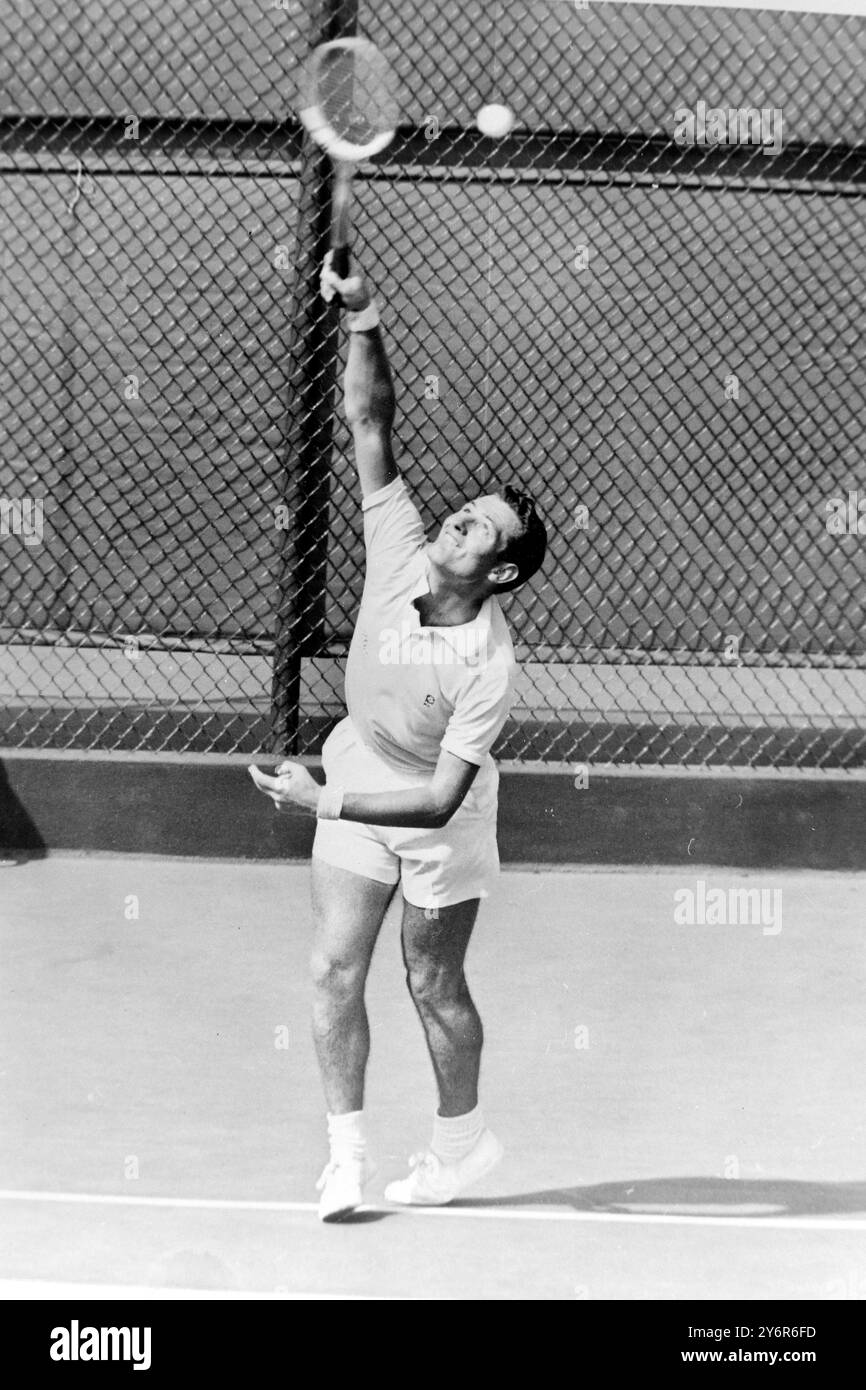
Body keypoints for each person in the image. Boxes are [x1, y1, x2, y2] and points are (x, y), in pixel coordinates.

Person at [249, 253, 547, 1221]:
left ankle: (460, 1146)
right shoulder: (400, 545)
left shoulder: (485, 664)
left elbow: (435, 801)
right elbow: (369, 420)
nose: (456, 524)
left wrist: (319, 799)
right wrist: (363, 313)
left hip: (430, 815)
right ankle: (345, 1157)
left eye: (476, 533)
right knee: (334, 965)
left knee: (430, 978)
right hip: (356, 771)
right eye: (464, 514)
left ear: (497, 574)